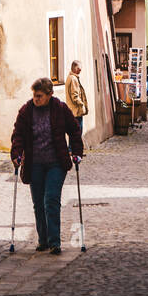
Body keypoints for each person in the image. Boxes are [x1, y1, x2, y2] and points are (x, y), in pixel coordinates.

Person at [11, 76, 84, 254]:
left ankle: (54, 242)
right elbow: (18, 134)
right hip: (34, 163)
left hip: (56, 163)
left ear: (50, 95)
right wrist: (16, 153)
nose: (36, 99)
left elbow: (74, 130)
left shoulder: (60, 109)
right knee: (38, 203)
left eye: (40, 96)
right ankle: (42, 239)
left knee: (50, 200)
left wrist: (76, 152)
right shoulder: (26, 111)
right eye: (35, 96)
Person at [64, 60, 89, 134]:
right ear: (75, 68)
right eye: (79, 68)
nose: (80, 70)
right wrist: (82, 105)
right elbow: (75, 96)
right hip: (76, 112)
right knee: (76, 135)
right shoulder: (73, 79)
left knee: (73, 135)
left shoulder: (70, 77)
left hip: (72, 111)